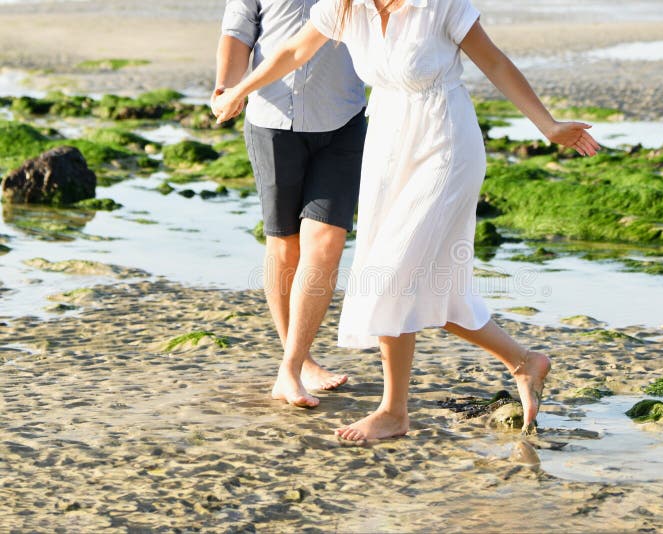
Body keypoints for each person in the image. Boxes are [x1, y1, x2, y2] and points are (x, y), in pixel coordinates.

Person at [213, 0, 601, 441]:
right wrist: (239, 89)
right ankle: (524, 362)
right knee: (424, 285)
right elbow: (291, 53)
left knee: (394, 276)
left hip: (444, 143)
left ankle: (394, 411)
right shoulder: (344, 8)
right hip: (386, 147)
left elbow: (494, 61)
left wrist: (546, 125)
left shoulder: (440, 4)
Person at [213, 0, 368, 408]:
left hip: (345, 118)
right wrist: (226, 88)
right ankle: (300, 360)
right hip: (272, 121)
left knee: (327, 242)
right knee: (285, 246)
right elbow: (238, 30)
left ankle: (291, 365)